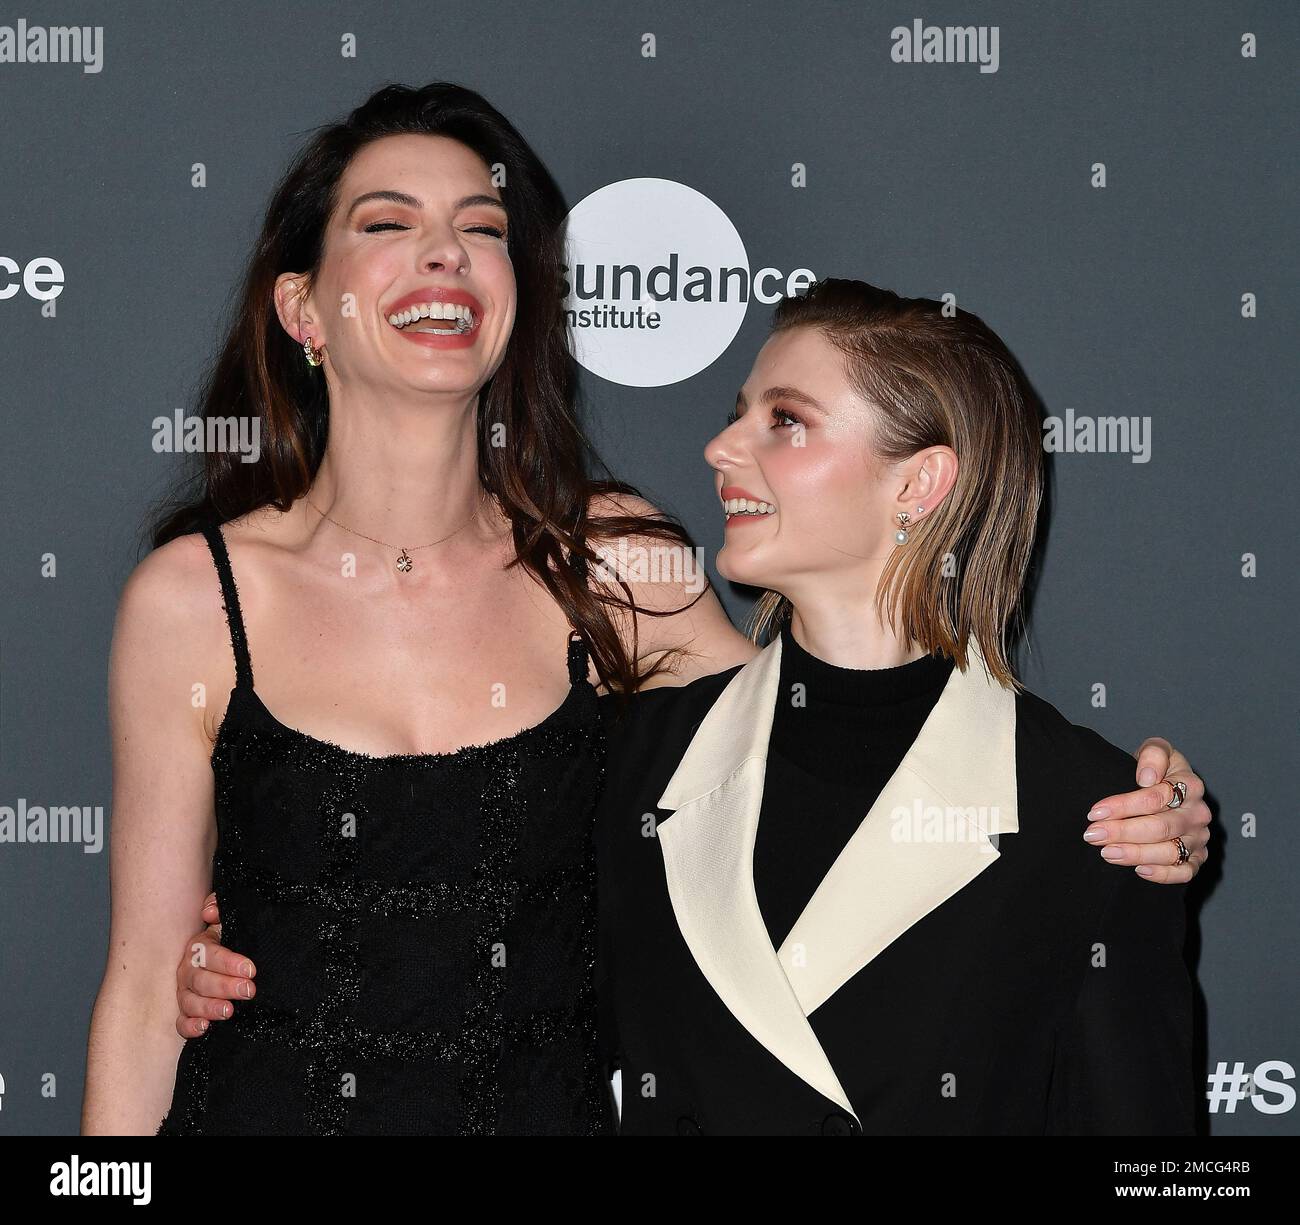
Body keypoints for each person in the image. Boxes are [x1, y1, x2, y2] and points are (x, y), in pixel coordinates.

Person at [113, 84, 1206, 1136]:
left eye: (481, 226)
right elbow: (143, 992)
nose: (444, 252)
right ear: (304, 305)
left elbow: (836, 748)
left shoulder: (616, 561)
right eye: (388, 222)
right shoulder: (194, 600)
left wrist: (1135, 814)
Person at [595, 279, 1200, 1134]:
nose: (721, 447)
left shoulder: (1091, 813)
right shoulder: (640, 758)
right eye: (740, 413)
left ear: (919, 483)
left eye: (786, 420)